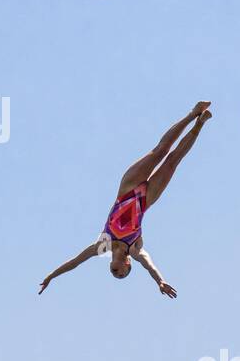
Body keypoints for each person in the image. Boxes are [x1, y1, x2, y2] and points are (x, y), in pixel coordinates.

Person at [38, 101, 212, 299]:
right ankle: (200, 124)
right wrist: (160, 281)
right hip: (146, 199)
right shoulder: (135, 250)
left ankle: (193, 113)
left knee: (161, 151)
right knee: (172, 161)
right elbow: (150, 266)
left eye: (114, 272)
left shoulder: (103, 246)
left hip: (127, 188)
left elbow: (76, 261)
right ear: (128, 264)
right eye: (121, 273)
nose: (116, 271)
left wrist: (52, 276)